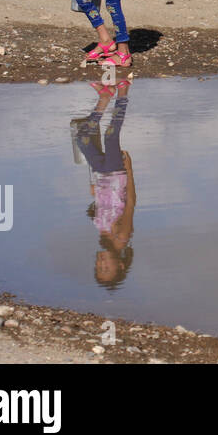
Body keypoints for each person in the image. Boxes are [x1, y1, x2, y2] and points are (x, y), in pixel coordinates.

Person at [71, 79, 136, 288]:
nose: (101, 263)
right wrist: (130, 168)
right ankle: (123, 94)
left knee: (83, 139)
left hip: (100, 175)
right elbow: (131, 203)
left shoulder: (104, 237)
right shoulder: (122, 236)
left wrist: (95, 191)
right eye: (106, 268)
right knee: (110, 136)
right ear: (120, 265)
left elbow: (104, 206)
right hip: (117, 173)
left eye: (98, 267)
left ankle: (104, 99)